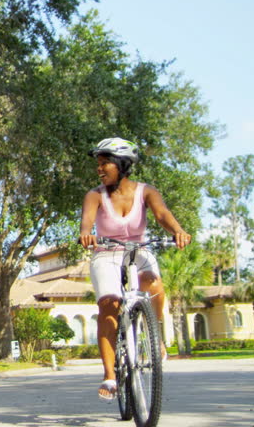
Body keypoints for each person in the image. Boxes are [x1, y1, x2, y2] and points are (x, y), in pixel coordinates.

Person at [78, 137, 191, 401]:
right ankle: (109, 375)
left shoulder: (146, 191)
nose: (100, 168)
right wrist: (86, 235)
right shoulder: (94, 195)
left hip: (140, 249)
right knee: (108, 304)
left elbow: (162, 214)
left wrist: (178, 231)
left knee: (153, 281)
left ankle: (154, 332)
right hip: (106, 252)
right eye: (99, 163)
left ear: (122, 164)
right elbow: (87, 221)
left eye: (105, 163)